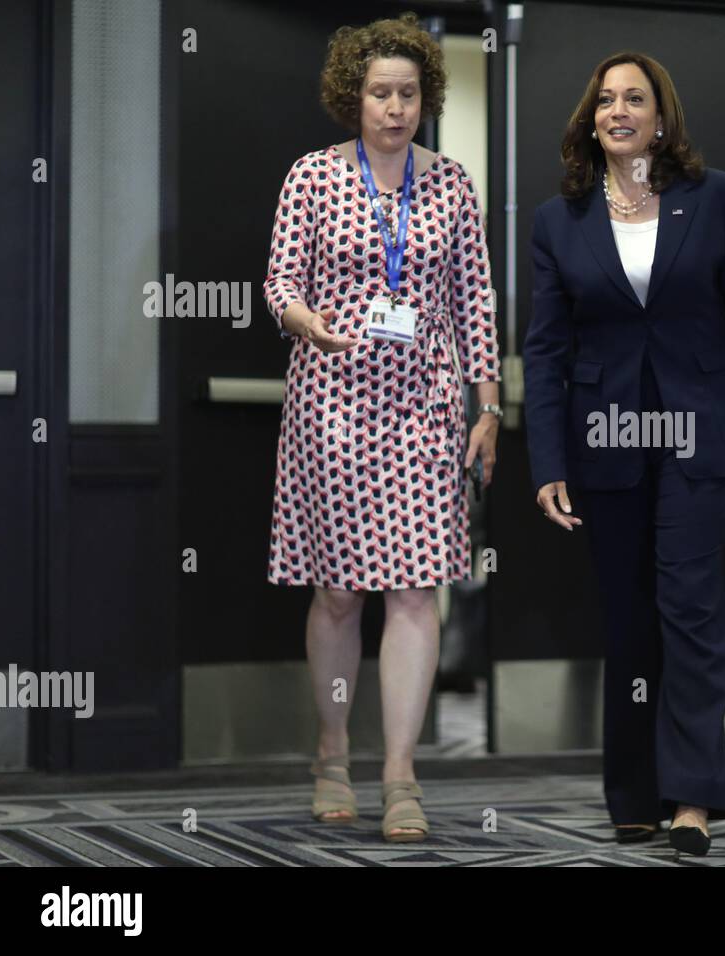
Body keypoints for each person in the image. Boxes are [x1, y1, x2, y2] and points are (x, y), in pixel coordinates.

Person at [523, 51, 725, 857]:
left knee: (693, 608)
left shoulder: (716, 199)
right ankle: (633, 795)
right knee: (629, 618)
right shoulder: (556, 219)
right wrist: (547, 462)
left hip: (701, 430)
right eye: (604, 99)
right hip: (602, 438)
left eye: (634, 98)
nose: (618, 110)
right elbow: (543, 351)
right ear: (589, 119)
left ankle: (693, 799)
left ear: (661, 116)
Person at [261, 13, 501, 843]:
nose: (394, 108)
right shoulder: (314, 177)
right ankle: (332, 753)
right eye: (379, 93)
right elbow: (278, 282)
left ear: (425, 98)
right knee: (339, 590)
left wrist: (489, 405)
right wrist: (305, 321)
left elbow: (475, 300)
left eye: (407, 94)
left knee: (416, 587)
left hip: (426, 409)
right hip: (333, 404)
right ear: (352, 98)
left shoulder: (453, 184)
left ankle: (400, 771)